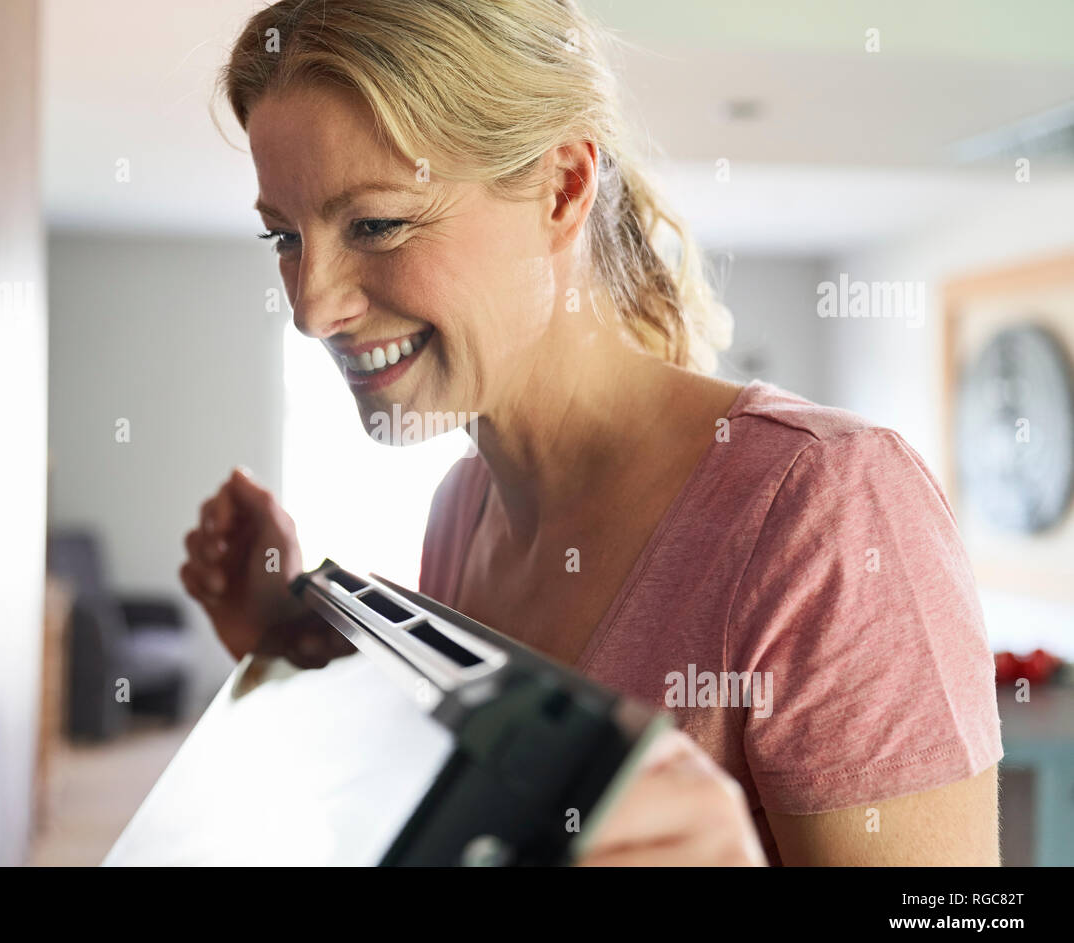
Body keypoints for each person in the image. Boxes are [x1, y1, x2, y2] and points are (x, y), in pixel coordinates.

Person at [181, 0, 1002, 866]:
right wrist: (283, 641)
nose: (312, 307)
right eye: (284, 236)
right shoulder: (462, 508)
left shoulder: (829, 505)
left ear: (563, 188)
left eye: (377, 224)